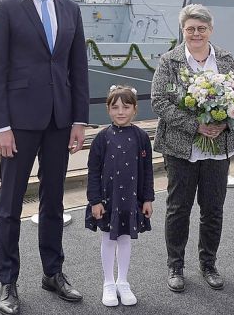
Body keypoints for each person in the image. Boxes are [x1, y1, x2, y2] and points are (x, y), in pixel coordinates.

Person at [0, 0, 90, 314]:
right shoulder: (7, 8)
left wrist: (79, 120)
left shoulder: (71, 10)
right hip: (19, 123)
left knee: (54, 200)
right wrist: (1, 126)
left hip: (60, 122)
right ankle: (8, 282)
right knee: (10, 204)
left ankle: (53, 273)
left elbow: (78, 69)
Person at [150, 4, 234, 293]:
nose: (196, 33)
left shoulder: (225, 60)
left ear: (210, 30)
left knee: (213, 209)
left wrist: (224, 122)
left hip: (218, 148)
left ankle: (209, 264)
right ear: (183, 30)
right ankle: (175, 265)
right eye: (190, 28)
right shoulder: (170, 61)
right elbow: (159, 102)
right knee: (179, 208)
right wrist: (196, 126)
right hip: (181, 148)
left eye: (201, 28)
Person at [84, 85, 154, 307]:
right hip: (108, 200)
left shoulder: (142, 137)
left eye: (126, 107)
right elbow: (93, 171)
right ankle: (108, 283)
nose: (120, 112)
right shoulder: (102, 138)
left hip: (132, 199)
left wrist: (148, 198)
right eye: (115, 107)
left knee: (124, 239)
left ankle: (123, 281)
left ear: (135, 109)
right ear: (108, 110)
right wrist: (94, 201)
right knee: (108, 238)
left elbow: (147, 170)